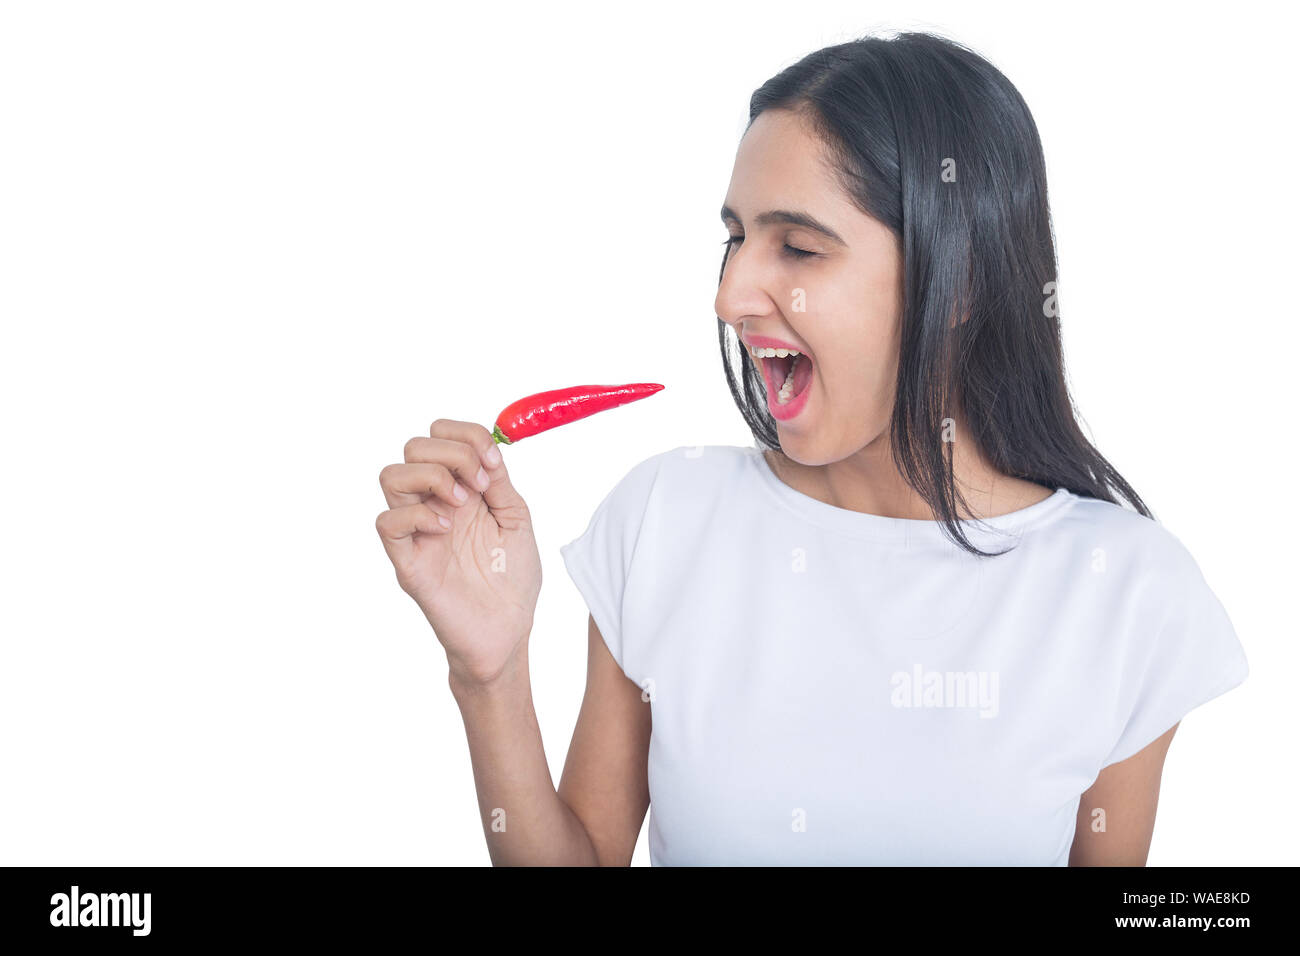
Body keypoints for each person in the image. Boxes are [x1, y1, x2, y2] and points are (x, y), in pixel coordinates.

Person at [375, 31, 1248, 865]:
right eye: (736, 238)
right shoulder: (666, 521)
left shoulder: (1126, 592)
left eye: (796, 246)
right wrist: (488, 673)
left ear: (963, 279)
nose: (731, 296)